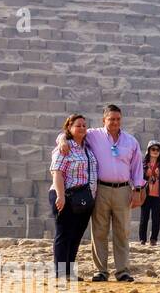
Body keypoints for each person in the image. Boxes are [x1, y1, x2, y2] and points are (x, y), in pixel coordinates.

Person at [56, 104, 144, 282]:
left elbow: (137, 166)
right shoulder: (93, 135)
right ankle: (101, 271)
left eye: (118, 119)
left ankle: (122, 271)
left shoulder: (130, 141)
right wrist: (61, 140)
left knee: (122, 232)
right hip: (100, 189)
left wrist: (138, 189)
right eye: (111, 119)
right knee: (99, 231)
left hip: (123, 189)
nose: (115, 122)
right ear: (104, 120)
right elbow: (72, 132)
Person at [48, 113, 97, 279]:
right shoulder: (64, 147)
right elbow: (57, 173)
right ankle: (61, 272)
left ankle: (69, 271)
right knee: (64, 233)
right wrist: (60, 196)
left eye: (84, 125)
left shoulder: (88, 147)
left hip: (84, 197)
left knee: (76, 235)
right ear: (69, 127)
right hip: (66, 195)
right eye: (78, 125)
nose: (82, 128)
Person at [138, 140, 160, 245]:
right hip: (145, 195)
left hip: (158, 196)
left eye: (158, 150)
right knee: (144, 218)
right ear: (149, 150)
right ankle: (142, 239)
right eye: (153, 149)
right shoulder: (143, 164)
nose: (155, 151)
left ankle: (153, 239)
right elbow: (137, 178)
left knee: (156, 219)